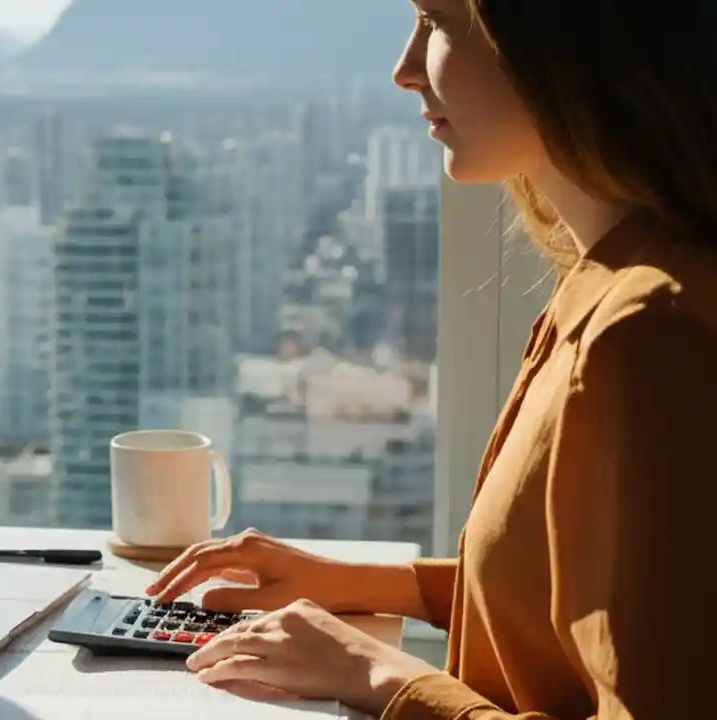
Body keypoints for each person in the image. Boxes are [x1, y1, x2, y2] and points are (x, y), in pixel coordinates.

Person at [146, 1, 717, 717]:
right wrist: (361, 582)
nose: (405, 69)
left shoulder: (653, 332)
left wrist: (383, 676)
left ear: (565, 42)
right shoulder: (613, 283)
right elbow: (589, 602)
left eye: (438, 22)